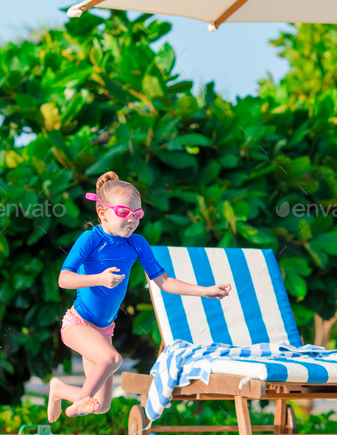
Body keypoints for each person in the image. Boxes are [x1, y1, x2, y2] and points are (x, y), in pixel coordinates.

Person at [48, 171, 231, 421]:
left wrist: (206, 291)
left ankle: (58, 389)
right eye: (124, 212)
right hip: (77, 324)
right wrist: (99, 278)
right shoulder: (90, 239)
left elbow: (164, 281)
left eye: (137, 214)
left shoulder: (137, 244)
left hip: (103, 330)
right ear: (103, 213)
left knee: (100, 405)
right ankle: (75, 405)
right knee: (112, 358)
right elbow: (64, 279)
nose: (132, 220)